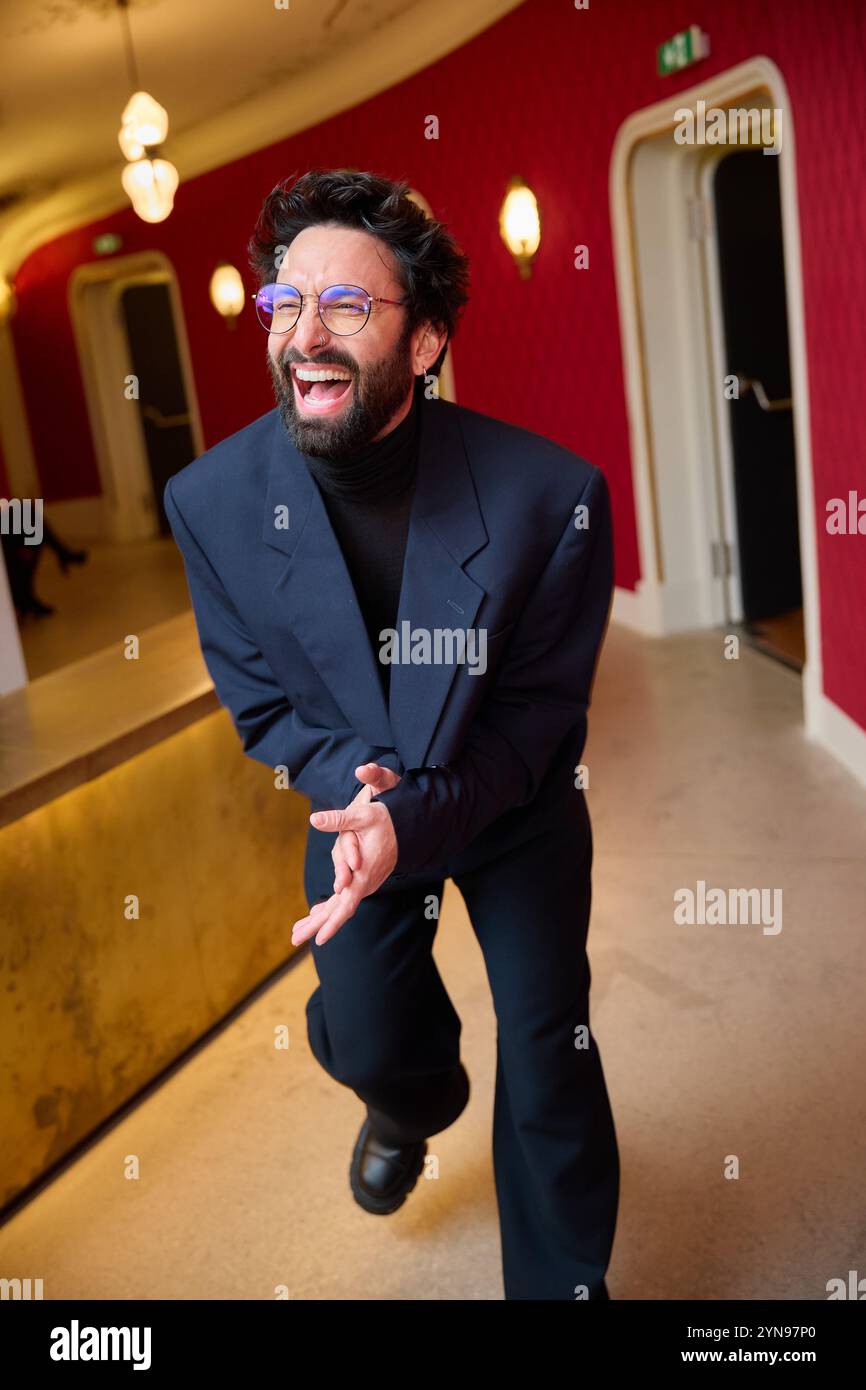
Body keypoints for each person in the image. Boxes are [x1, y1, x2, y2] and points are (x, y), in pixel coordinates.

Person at [164, 168, 619, 1300]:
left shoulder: (548, 495)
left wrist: (419, 809)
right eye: (286, 304)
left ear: (424, 343)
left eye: (347, 308)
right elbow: (264, 708)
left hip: (508, 808)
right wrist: (363, 803)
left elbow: (534, 724)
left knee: (546, 1048)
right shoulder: (212, 502)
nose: (304, 336)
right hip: (350, 805)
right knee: (365, 1037)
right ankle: (409, 1105)